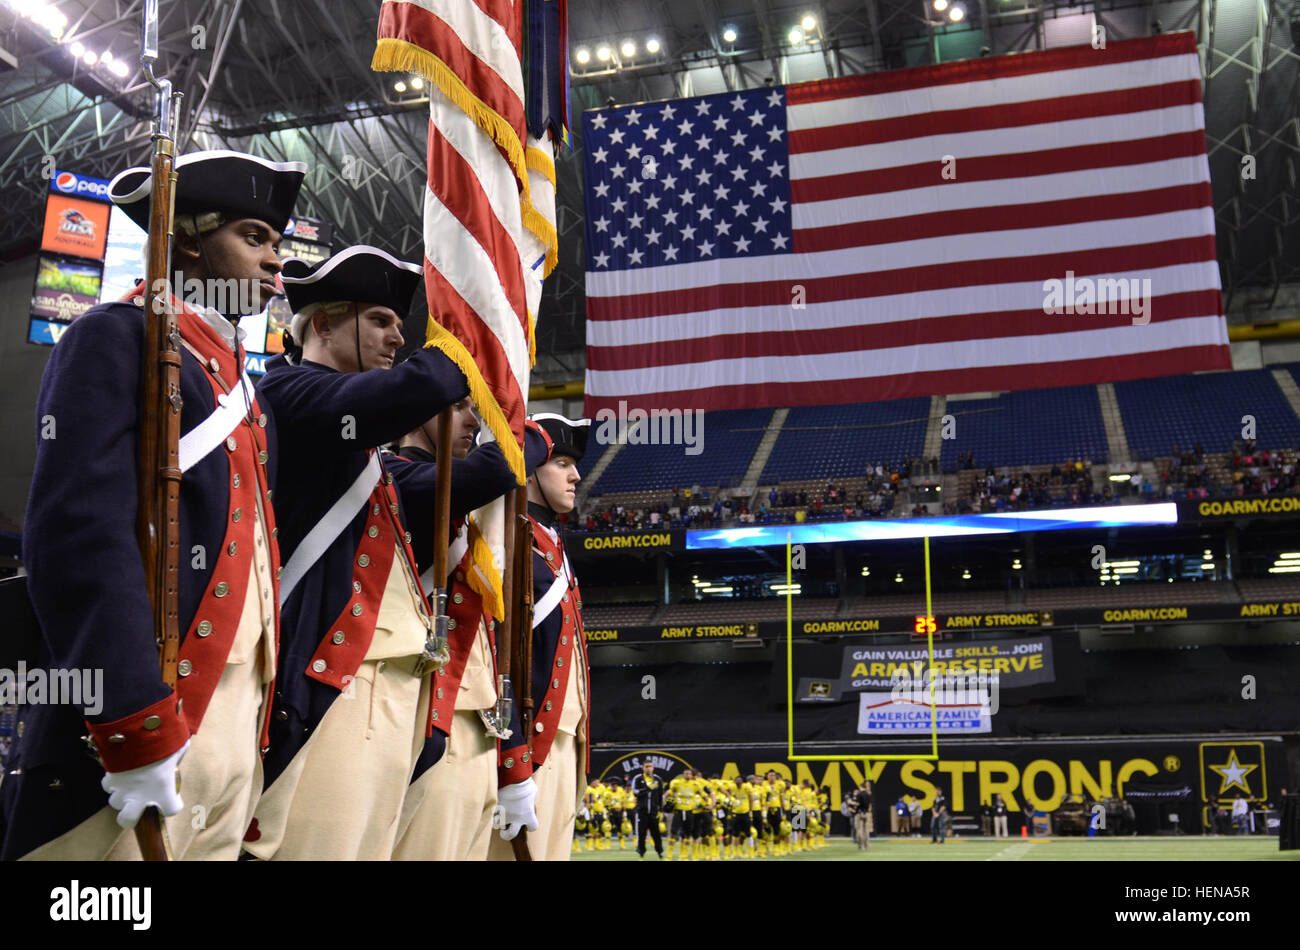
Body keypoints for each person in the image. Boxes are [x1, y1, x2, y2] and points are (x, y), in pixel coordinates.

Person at [1, 150, 306, 861]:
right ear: (192, 237)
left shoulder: (242, 389)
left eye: (277, 245)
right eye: (255, 238)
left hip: (235, 727)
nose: (275, 263)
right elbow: (77, 537)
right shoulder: (115, 337)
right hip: (149, 719)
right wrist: (131, 721)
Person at [246, 246, 470, 860]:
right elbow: (405, 393)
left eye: (400, 325)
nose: (399, 336)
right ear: (321, 323)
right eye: (380, 320)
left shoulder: (359, 430)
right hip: (330, 676)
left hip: (387, 678)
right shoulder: (289, 390)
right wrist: (469, 334)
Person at [387, 403, 547, 860]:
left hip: (479, 722)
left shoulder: (469, 517)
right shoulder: (398, 476)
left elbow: (490, 645)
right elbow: (494, 470)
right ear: (420, 413)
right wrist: (528, 429)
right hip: (426, 717)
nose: (474, 423)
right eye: (459, 408)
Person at [487, 413, 592, 861]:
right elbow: (496, 659)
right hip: (530, 745)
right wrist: (511, 760)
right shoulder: (509, 541)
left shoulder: (549, 545)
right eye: (562, 463)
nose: (576, 475)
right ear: (530, 468)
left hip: (562, 742)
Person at [630, 760, 665, 858]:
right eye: (646, 766)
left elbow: (660, 796)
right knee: (641, 834)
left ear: (653, 768)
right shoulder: (638, 778)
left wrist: (661, 810)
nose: (648, 768)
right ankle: (641, 853)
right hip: (642, 811)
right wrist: (647, 789)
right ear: (643, 768)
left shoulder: (658, 779)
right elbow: (635, 792)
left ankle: (660, 852)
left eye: (650, 766)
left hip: (654, 812)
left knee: (656, 834)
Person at [852, 782, 873, 850]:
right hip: (866, 813)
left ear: (860, 787)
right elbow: (869, 805)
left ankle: (861, 845)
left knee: (859, 830)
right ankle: (867, 845)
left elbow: (858, 804)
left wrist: (851, 803)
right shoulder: (868, 794)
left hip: (859, 813)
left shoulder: (859, 794)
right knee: (866, 831)